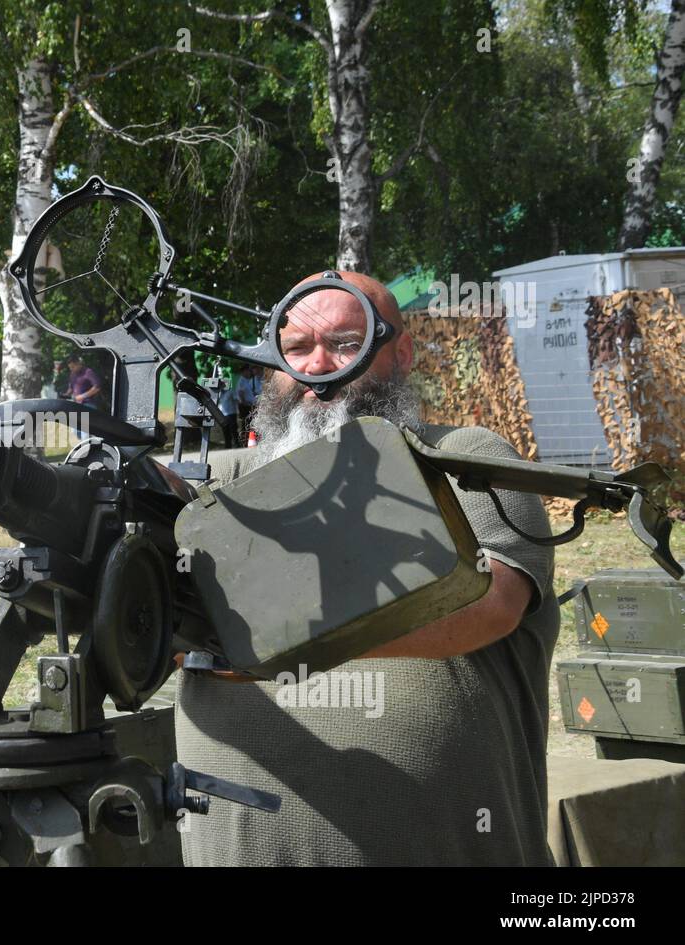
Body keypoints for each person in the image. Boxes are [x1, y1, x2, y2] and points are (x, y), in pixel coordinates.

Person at [176, 271, 559, 866]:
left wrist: (257, 641)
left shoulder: (464, 460)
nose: (317, 369)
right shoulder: (218, 485)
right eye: (296, 349)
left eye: (345, 344)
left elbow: (492, 606)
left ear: (400, 353)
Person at [216, 364, 261, 446]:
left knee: (251, 424)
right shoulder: (242, 381)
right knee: (246, 424)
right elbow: (240, 394)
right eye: (247, 371)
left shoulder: (249, 380)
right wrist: (244, 402)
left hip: (250, 405)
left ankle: (250, 440)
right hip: (246, 406)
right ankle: (245, 442)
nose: (249, 372)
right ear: (244, 372)